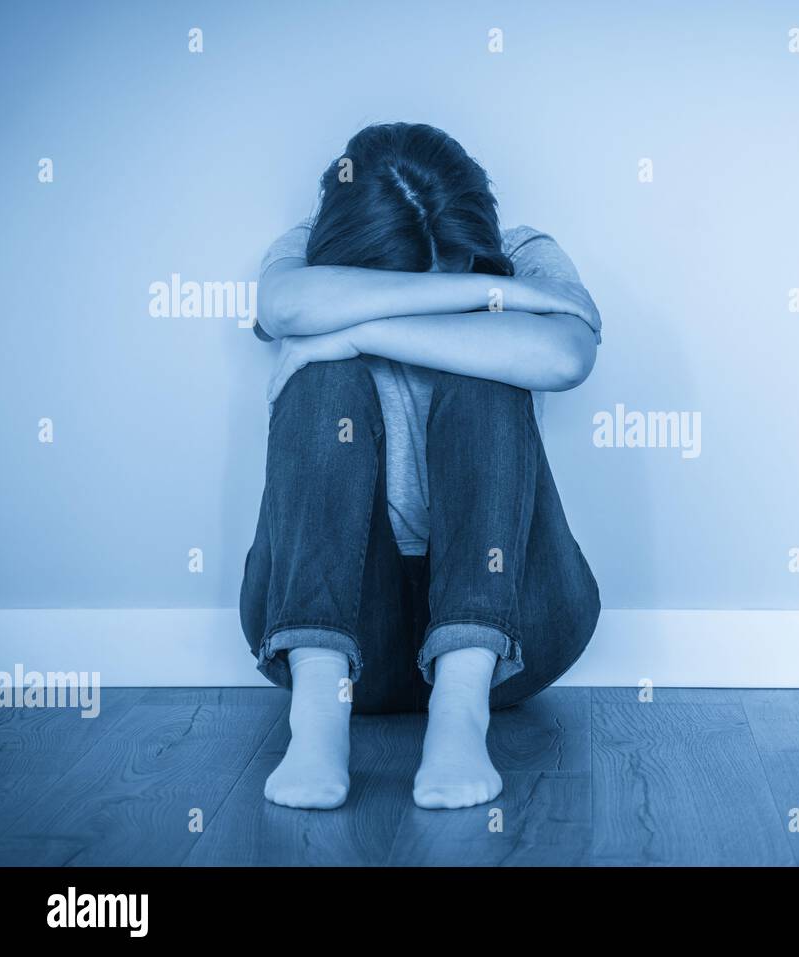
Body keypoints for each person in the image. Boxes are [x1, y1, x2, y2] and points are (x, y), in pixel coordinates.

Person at [238, 122, 601, 811]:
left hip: (516, 630)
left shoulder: (521, 252)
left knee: (487, 374)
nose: (448, 286)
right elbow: (280, 305)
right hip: (349, 628)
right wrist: (493, 303)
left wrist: (356, 329)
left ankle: (461, 717)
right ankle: (315, 720)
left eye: (456, 277)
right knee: (321, 385)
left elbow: (565, 357)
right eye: (409, 283)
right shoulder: (305, 253)